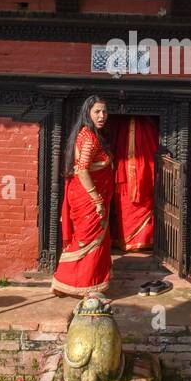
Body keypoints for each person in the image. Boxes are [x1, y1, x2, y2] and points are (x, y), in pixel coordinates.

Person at [52, 96, 115, 296]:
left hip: (85, 196)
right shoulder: (89, 137)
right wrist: (96, 199)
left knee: (86, 240)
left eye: (104, 111)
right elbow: (82, 170)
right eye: (97, 111)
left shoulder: (92, 134)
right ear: (87, 113)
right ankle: (84, 286)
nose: (102, 115)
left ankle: (65, 283)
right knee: (87, 240)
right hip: (89, 200)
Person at [111, 116, 159, 253]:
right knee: (124, 205)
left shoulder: (147, 125)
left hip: (143, 173)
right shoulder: (120, 126)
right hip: (124, 174)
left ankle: (142, 240)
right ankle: (127, 239)